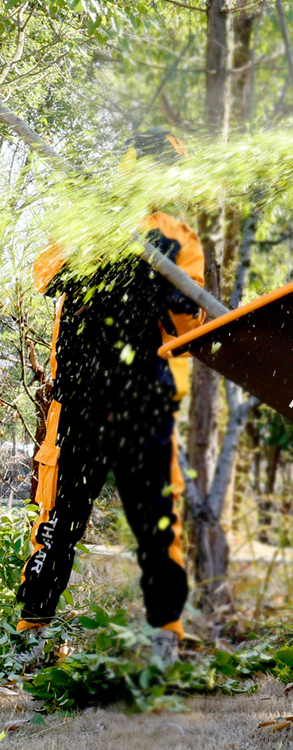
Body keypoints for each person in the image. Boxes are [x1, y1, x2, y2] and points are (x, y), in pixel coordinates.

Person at [16, 128, 205, 664]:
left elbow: (190, 315)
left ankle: (166, 636)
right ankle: (33, 633)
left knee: (157, 523)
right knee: (57, 518)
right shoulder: (93, 216)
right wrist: (97, 236)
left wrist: (162, 285)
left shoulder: (178, 238)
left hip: (143, 402)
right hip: (76, 404)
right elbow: (45, 273)